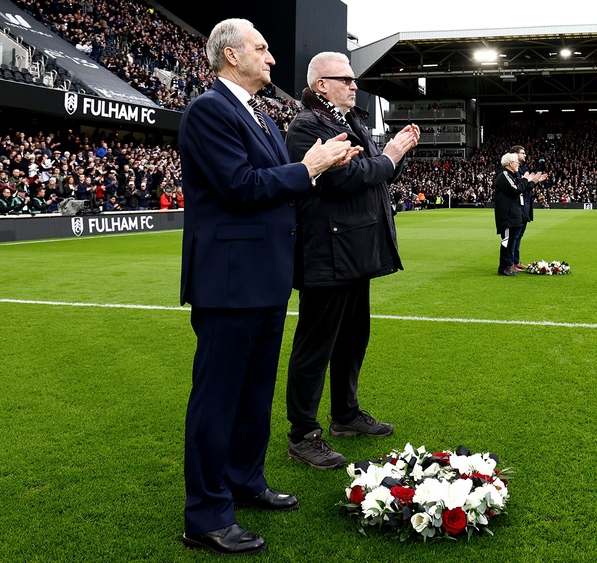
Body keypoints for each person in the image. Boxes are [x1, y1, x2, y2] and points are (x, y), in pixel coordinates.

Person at [178, 19, 357, 556]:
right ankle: (206, 515)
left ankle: (245, 482)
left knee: (255, 395)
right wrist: (311, 166)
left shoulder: (258, 113)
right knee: (218, 400)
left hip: (264, 278)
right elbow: (239, 186)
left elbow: (281, 184)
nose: (272, 57)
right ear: (230, 56)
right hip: (229, 281)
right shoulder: (209, 109)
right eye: (261, 48)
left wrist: (320, 168)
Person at [283, 51, 419, 470]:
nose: (354, 84)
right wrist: (389, 155)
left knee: (354, 335)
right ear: (320, 84)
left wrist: (393, 156)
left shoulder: (351, 120)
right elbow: (343, 180)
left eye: (354, 78)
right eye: (345, 78)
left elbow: (376, 174)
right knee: (316, 343)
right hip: (329, 252)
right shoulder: (307, 126)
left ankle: (345, 415)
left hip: (356, 249)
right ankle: (302, 434)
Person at [494, 153, 525, 276]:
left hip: (512, 214)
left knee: (511, 240)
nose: (518, 164)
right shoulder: (504, 175)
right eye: (517, 162)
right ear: (511, 164)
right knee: (506, 240)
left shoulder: (510, 175)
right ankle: (503, 267)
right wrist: (526, 180)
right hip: (506, 215)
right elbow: (515, 190)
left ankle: (507, 265)